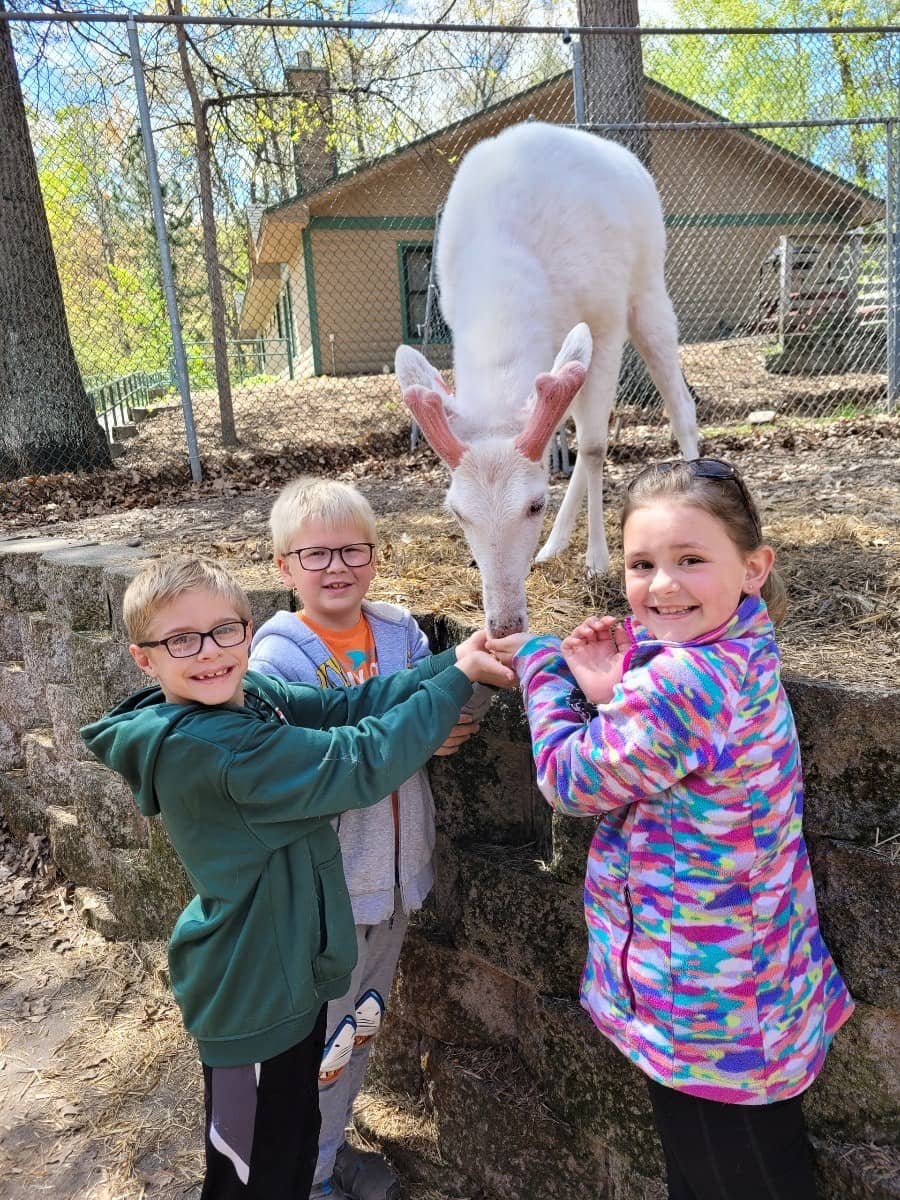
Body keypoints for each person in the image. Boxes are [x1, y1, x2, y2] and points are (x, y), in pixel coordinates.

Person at [80, 554, 513, 1200]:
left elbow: (346, 707)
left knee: (291, 1144)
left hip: (289, 977)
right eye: (181, 640)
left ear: (250, 630)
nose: (208, 653)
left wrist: (451, 661)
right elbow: (360, 759)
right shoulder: (215, 750)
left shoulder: (248, 699)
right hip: (251, 999)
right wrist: (457, 685)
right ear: (146, 659)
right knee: (250, 1175)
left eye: (224, 630)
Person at [488, 458, 854, 1200]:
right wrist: (615, 686)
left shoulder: (684, 682)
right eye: (642, 563)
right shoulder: (734, 654)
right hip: (745, 993)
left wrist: (541, 670)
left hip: (705, 1010)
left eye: (691, 560)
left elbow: (570, 780)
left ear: (754, 567)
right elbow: (671, 750)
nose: (662, 585)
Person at [249, 477, 491, 1200]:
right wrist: (417, 731)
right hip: (326, 892)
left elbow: (428, 707)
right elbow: (317, 759)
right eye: (315, 553)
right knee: (316, 1047)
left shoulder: (398, 631)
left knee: (359, 1028)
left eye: (353, 549)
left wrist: (456, 717)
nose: (336, 567)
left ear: (375, 557)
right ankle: (303, 1175)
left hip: (394, 876)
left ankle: (327, 1150)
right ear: (283, 568)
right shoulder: (276, 661)